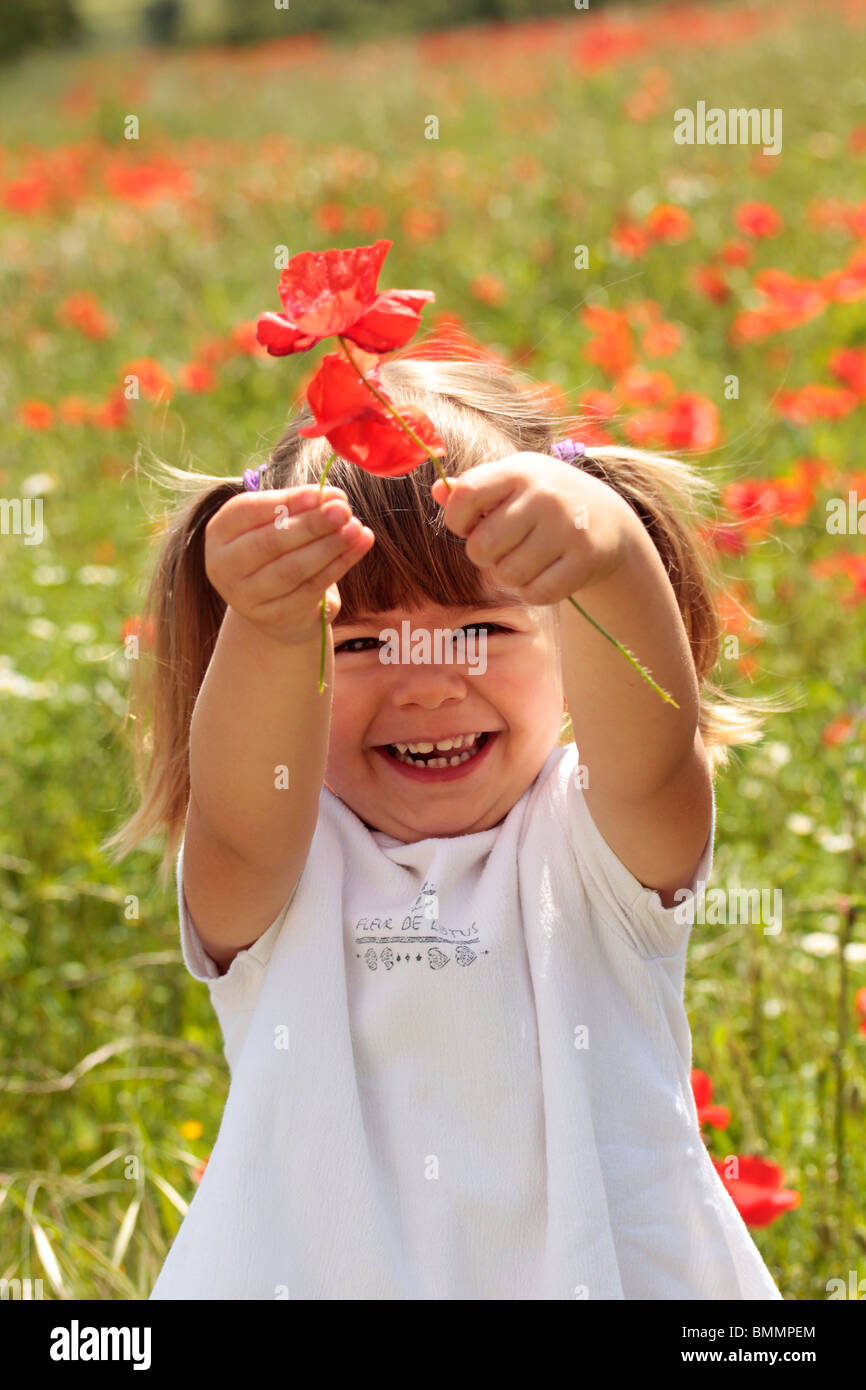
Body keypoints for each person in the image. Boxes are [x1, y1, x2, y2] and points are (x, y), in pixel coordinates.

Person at [104, 346, 786, 1299]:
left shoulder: (591, 852)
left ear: (565, 635)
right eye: (359, 642)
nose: (427, 683)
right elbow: (240, 811)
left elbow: (658, 761)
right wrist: (267, 624)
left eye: (482, 629)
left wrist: (614, 550)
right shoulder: (281, 868)